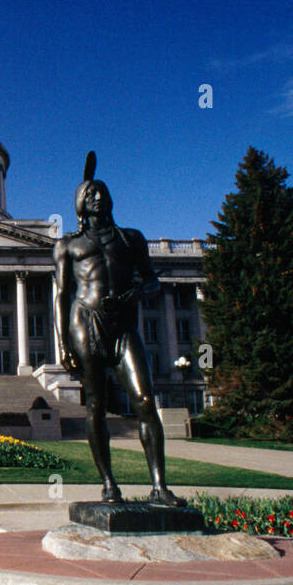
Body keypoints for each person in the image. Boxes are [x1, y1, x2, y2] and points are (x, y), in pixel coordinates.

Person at [54, 151, 183, 505]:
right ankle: (109, 485)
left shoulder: (131, 239)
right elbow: (62, 294)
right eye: (91, 193)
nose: (99, 196)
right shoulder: (67, 244)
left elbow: (153, 280)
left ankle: (159, 486)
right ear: (81, 203)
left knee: (144, 400)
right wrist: (62, 345)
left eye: (103, 192)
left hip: (123, 326)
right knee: (95, 404)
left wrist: (134, 293)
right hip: (86, 322)